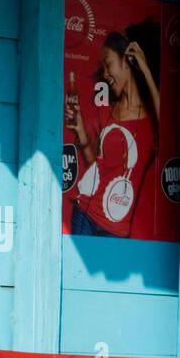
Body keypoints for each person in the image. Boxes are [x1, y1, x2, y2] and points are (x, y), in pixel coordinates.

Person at [65, 21, 161, 238]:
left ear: (127, 61)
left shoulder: (150, 114)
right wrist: (80, 128)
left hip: (116, 230)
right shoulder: (108, 110)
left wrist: (144, 69)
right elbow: (96, 165)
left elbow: (171, 130)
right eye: (103, 67)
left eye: (108, 64)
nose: (106, 74)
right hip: (85, 215)